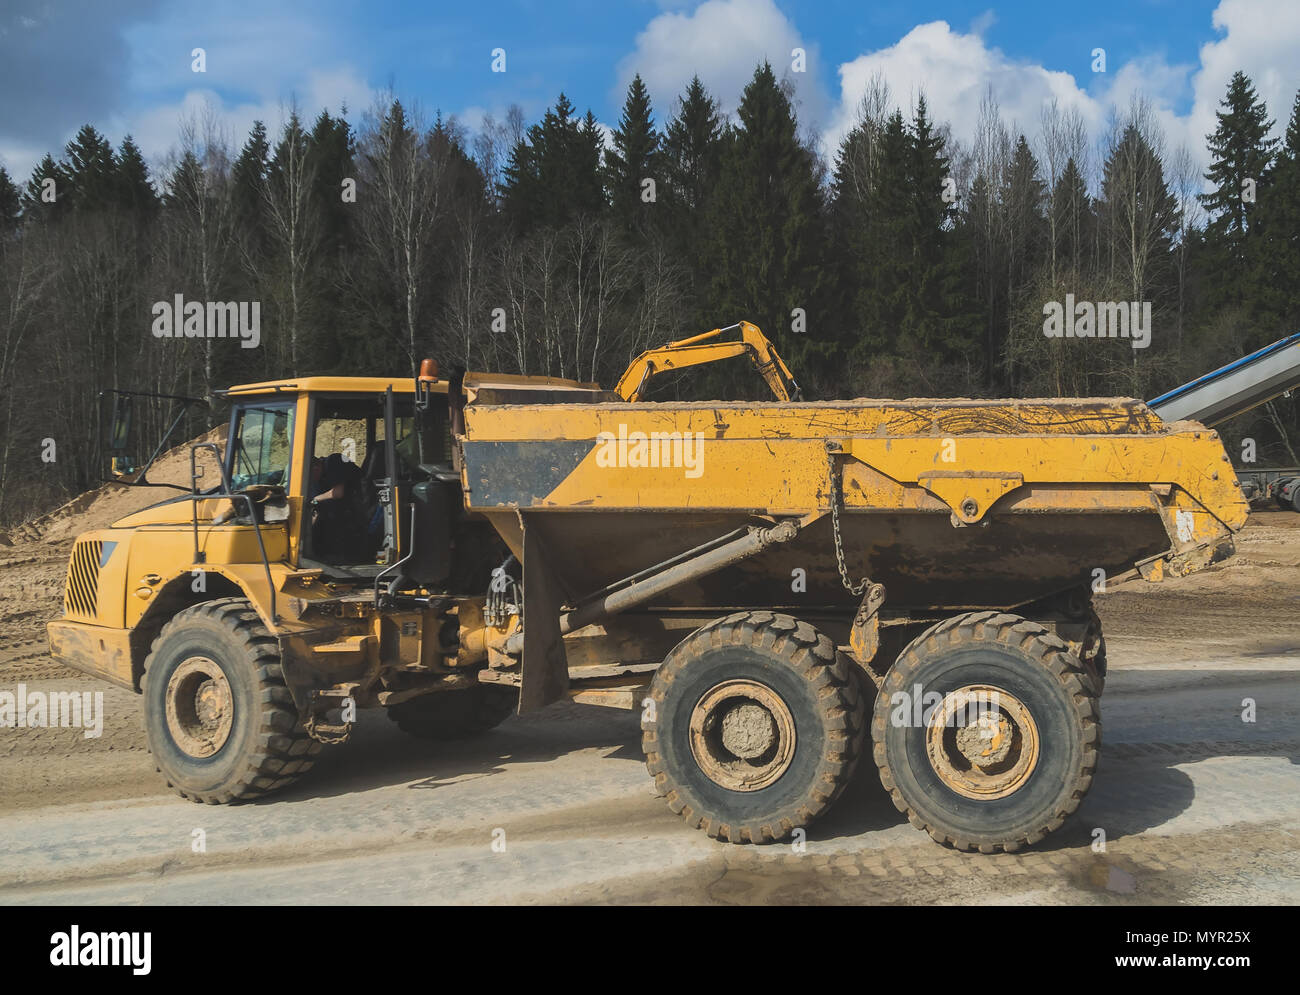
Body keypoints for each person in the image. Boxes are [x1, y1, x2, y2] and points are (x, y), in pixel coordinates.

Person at [309, 453, 364, 560]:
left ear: (316, 468)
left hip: (357, 511)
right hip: (340, 514)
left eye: (311, 477)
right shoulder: (317, 479)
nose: (311, 480)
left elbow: (338, 493)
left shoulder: (335, 462)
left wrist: (315, 500)